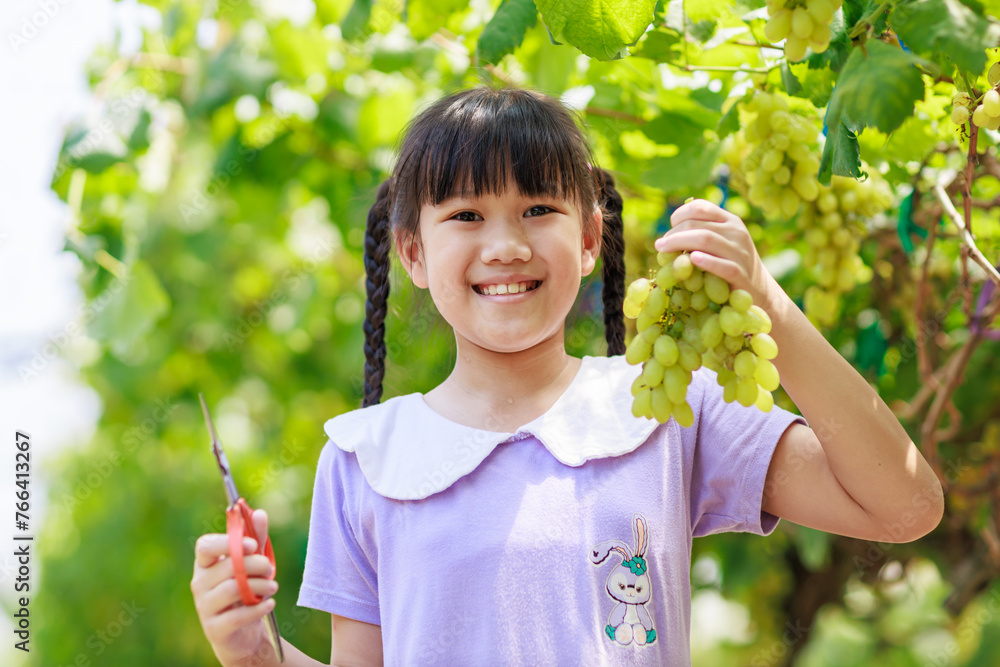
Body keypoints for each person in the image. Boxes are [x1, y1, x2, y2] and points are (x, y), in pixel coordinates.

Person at [190, 83, 945, 666]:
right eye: (465, 216)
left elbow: (905, 506)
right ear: (412, 253)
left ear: (589, 238)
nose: (507, 245)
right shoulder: (361, 460)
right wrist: (253, 650)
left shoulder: (667, 408)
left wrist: (770, 304)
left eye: (538, 208)